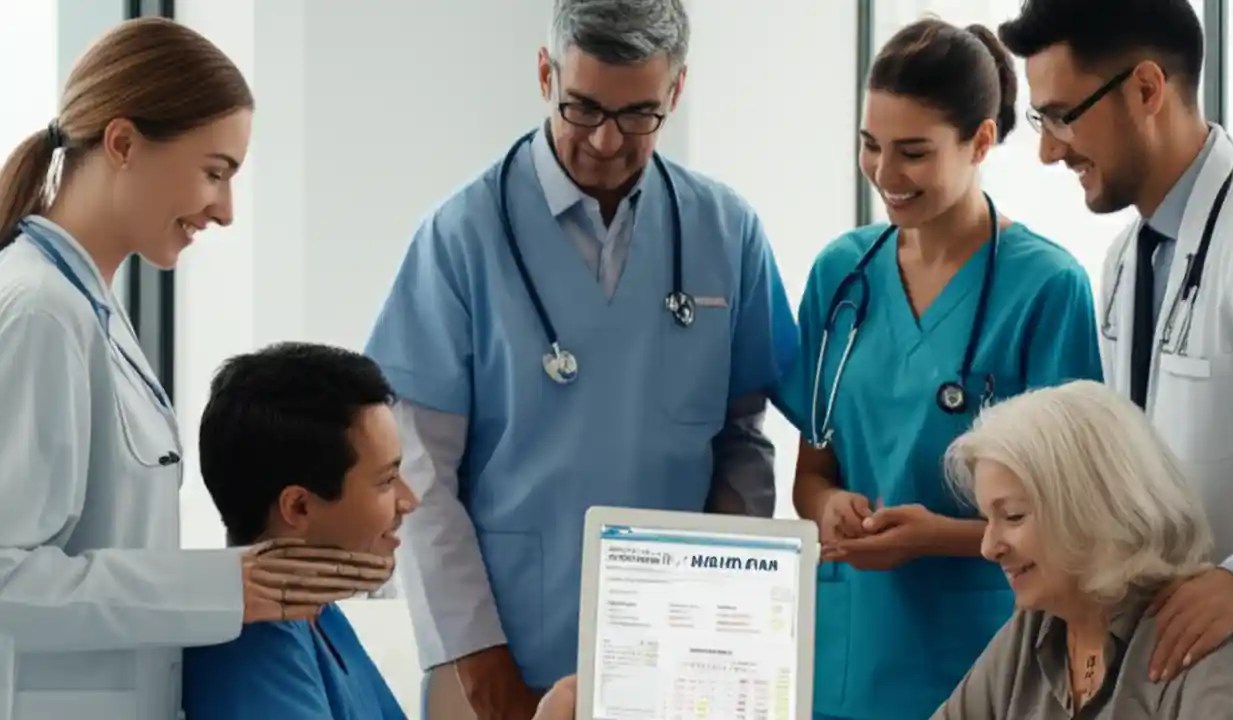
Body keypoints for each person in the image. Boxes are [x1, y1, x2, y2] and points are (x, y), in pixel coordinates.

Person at [363, 0, 798, 716]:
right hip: (501, 653)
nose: (604, 140)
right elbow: (420, 476)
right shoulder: (462, 236)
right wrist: (485, 672)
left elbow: (742, 441)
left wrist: (722, 619)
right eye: (583, 107)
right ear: (545, 74)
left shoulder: (726, 231)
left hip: (672, 663)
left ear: (676, 92)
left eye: (637, 116)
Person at [0, 18, 391, 720]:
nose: (226, 209)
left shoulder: (88, 309)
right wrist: (225, 588)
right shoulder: (41, 313)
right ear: (122, 144)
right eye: (215, 172)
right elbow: (4, 580)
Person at [775, 18, 1103, 720]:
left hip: (989, 660)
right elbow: (811, 474)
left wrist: (940, 538)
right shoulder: (842, 273)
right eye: (871, 146)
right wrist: (829, 507)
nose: (885, 175)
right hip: (845, 661)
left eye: (914, 153)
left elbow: (1074, 521)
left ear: (981, 141)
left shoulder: (1046, 288)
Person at [999, 0, 1233, 684]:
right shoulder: (1127, 259)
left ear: (1147, 89)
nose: (1048, 149)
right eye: (1042, 119)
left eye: (1063, 115)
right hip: (1165, 668)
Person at [935, 380, 1233, 718]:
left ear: (1093, 509)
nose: (988, 547)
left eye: (1013, 516)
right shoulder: (1033, 628)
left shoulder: (1201, 645)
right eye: (987, 519)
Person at [183, 342, 418, 719]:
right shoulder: (252, 648)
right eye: (387, 481)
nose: (409, 500)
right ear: (299, 506)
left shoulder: (318, 615)